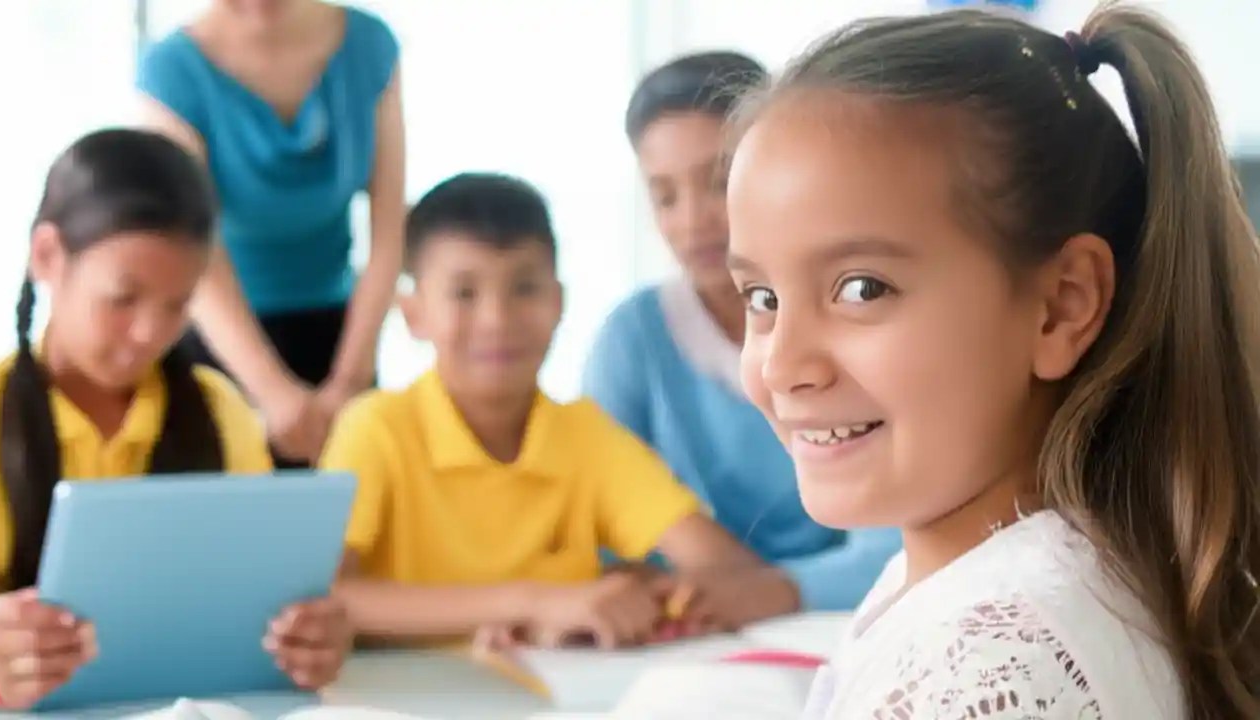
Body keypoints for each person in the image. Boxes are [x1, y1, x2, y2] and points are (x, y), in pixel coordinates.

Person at [726, 4, 1260, 719]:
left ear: (1061, 306)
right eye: (761, 297)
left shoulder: (992, 668)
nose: (784, 364)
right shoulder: (1007, 583)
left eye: (862, 288)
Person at [324, 173, 789, 649]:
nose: (496, 320)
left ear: (559, 301)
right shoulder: (374, 428)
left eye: (524, 288)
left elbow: (727, 567)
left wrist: (655, 596)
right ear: (414, 313)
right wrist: (533, 602)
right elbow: (326, 595)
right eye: (464, 293)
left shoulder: (586, 436)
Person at [0, 129, 350, 711]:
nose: (150, 333)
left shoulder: (219, 409)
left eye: (178, 304)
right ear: (48, 255)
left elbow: (261, 602)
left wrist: (309, 640)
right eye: (123, 298)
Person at [583, 51, 900, 612]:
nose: (692, 219)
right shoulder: (632, 341)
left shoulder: (856, 319)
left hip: (848, 623)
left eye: (719, 180)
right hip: (686, 634)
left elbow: (899, 545)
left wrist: (772, 591)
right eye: (664, 196)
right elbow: (600, 536)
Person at [137, 0, 406, 466]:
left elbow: (389, 231)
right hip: (223, 341)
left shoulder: (369, 45)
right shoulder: (172, 71)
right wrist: (271, 391)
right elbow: (193, 252)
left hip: (344, 337)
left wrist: (350, 379)